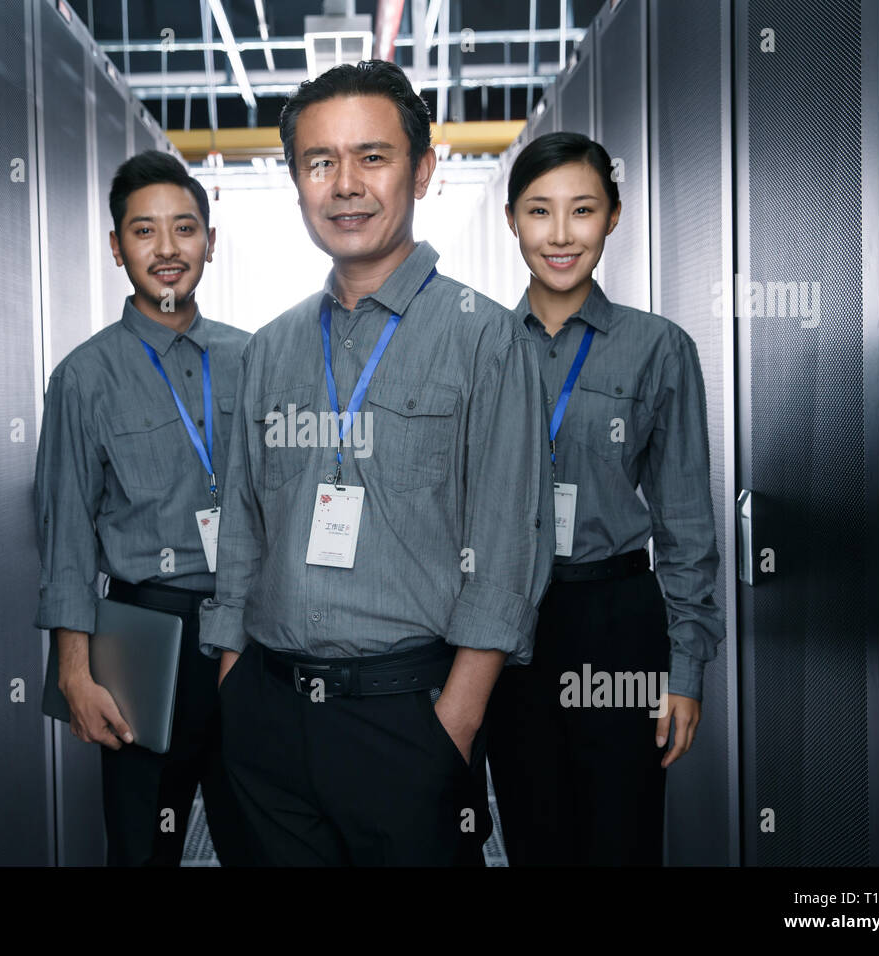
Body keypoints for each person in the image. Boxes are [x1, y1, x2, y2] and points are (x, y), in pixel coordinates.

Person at [199, 60, 555, 866]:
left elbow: (505, 553)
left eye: (373, 156)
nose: (345, 184)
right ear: (296, 183)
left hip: (407, 717)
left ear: (422, 170)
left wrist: (453, 725)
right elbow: (244, 534)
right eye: (319, 162)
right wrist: (233, 682)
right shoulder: (272, 347)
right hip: (268, 713)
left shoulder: (484, 339)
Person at [486, 131, 724, 865]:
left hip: (616, 621)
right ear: (512, 220)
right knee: (532, 835)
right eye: (539, 211)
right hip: (504, 623)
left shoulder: (660, 349)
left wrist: (685, 671)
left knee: (621, 838)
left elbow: (685, 525)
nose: (560, 236)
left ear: (613, 217)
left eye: (582, 210)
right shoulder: (478, 347)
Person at [33, 150, 250, 866]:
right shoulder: (84, 379)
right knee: (142, 848)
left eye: (184, 229)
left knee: (267, 840)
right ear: (116, 246)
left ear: (210, 243)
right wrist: (73, 672)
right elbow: (65, 536)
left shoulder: (257, 360)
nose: (166, 249)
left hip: (255, 635)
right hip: (144, 638)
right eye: (143, 231)